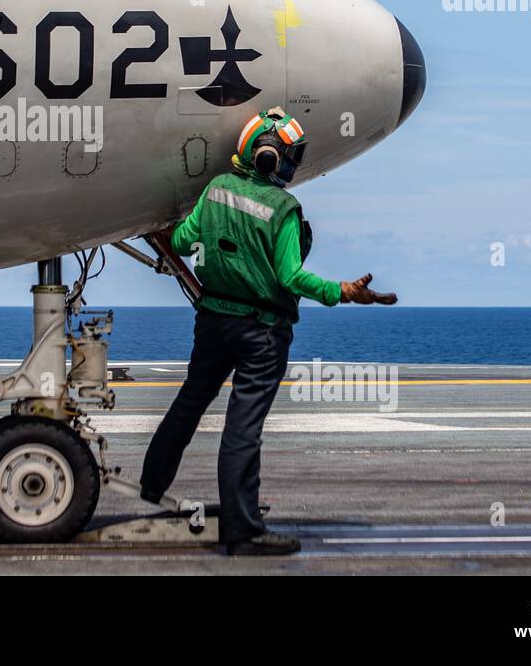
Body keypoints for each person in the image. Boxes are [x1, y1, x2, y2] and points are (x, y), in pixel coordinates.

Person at [140, 107, 397, 556]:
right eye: (291, 155)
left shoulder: (216, 190)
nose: (293, 163)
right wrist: (342, 291)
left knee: (190, 401)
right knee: (243, 429)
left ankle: (151, 484)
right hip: (261, 332)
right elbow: (291, 278)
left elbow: (180, 242)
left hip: (213, 321)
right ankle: (243, 531)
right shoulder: (283, 209)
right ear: (271, 158)